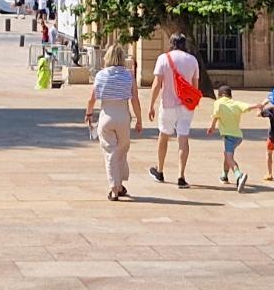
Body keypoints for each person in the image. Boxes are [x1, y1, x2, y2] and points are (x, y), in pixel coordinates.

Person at [83, 43, 142, 201]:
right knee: (122, 150)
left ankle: (114, 188)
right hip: (123, 116)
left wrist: (89, 114)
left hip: (106, 116)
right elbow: (135, 99)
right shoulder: (129, 75)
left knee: (110, 153)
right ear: (122, 58)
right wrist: (139, 119)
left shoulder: (101, 75)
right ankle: (119, 184)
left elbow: (92, 99)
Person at [146, 33, 202, 188]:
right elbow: (195, 87)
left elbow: (157, 84)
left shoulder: (163, 59)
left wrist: (151, 105)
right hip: (186, 105)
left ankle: (160, 170)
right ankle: (181, 176)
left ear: (171, 43)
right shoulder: (192, 60)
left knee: (163, 136)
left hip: (168, 104)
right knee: (183, 138)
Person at [207, 86, 252, 192]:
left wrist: (212, 127)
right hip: (238, 136)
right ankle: (224, 175)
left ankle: (239, 175)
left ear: (220, 95)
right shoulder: (234, 104)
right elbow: (248, 106)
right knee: (227, 154)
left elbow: (215, 115)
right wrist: (260, 105)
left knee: (229, 157)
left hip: (229, 136)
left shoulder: (218, 103)